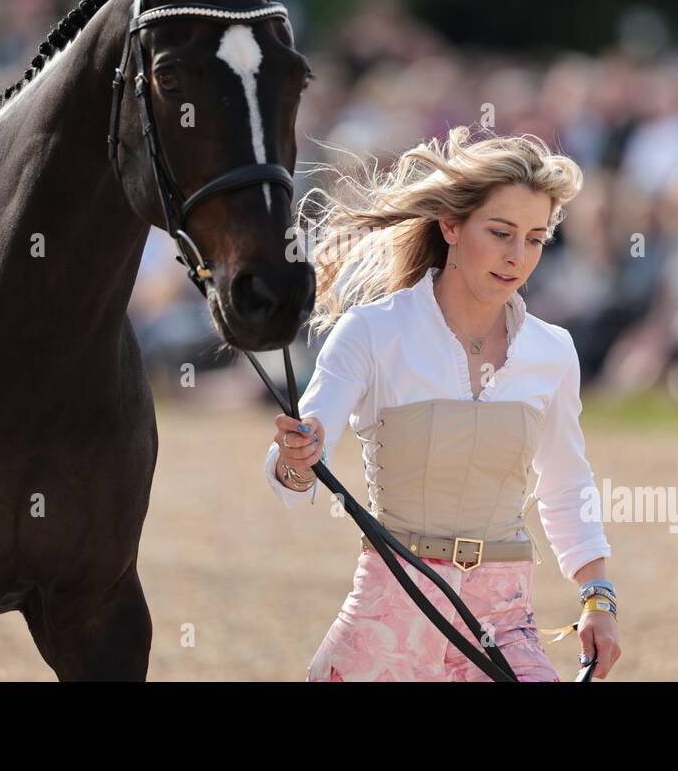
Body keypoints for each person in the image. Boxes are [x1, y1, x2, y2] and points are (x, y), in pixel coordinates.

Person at [265, 125, 622, 681]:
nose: (517, 257)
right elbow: (299, 462)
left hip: (504, 620)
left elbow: (566, 483)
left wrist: (598, 597)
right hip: (388, 621)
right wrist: (296, 457)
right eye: (500, 232)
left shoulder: (553, 351)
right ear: (451, 225)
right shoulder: (371, 333)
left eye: (534, 239)